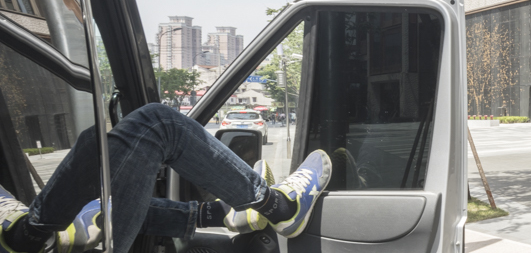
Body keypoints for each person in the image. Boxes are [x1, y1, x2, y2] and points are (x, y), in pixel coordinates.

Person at [1, 102, 332, 253]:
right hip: (28, 238)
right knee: (157, 124)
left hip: (38, 235)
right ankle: (279, 207)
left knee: (95, 149)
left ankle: (223, 212)